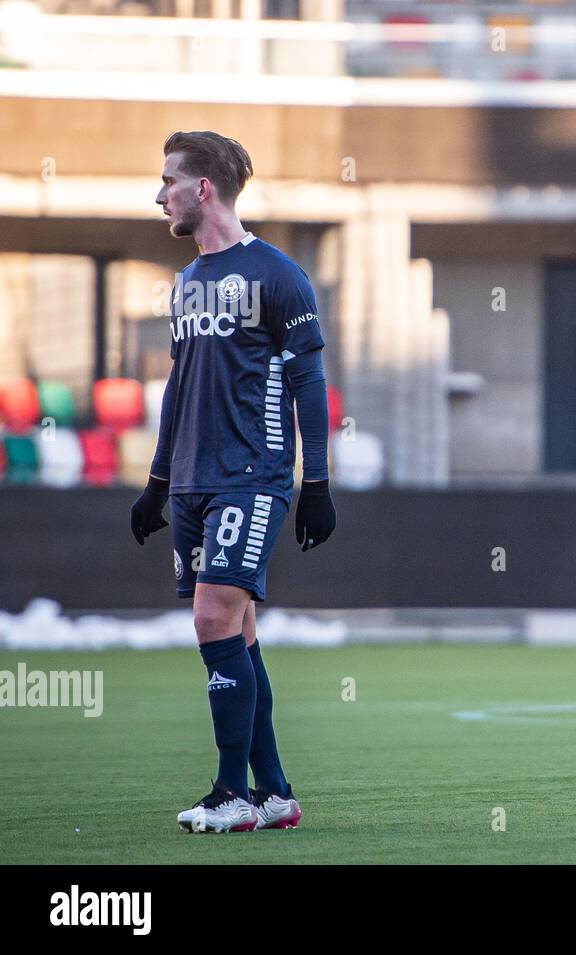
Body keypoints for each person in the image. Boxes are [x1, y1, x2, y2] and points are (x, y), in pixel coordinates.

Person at [130, 130, 337, 833]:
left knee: (212, 618)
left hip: (253, 476)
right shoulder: (186, 285)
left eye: (169, 182)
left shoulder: (278, 274)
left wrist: (317, 483)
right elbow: (177, 387)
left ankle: (231, 792)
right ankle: (274, 790)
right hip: (192, 481)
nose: (160, 196)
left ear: (204, 189)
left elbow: (310, 379)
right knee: (238, 633)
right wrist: (157, 484)